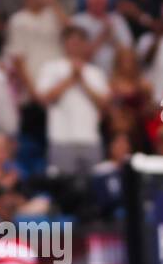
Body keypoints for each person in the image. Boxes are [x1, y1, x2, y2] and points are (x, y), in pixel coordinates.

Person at [36, 24, 110, 176]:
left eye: (79, 42)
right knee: (63, 188)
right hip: (61, 138)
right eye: (71, 42)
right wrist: (71, 78)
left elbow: (104, 103)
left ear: (85, 44)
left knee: (92, 189)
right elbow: (44, 98)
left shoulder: (95, 72)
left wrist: (81, 80)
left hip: (90, 139)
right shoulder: (51, 68)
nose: (75, 46)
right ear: (64, 44)